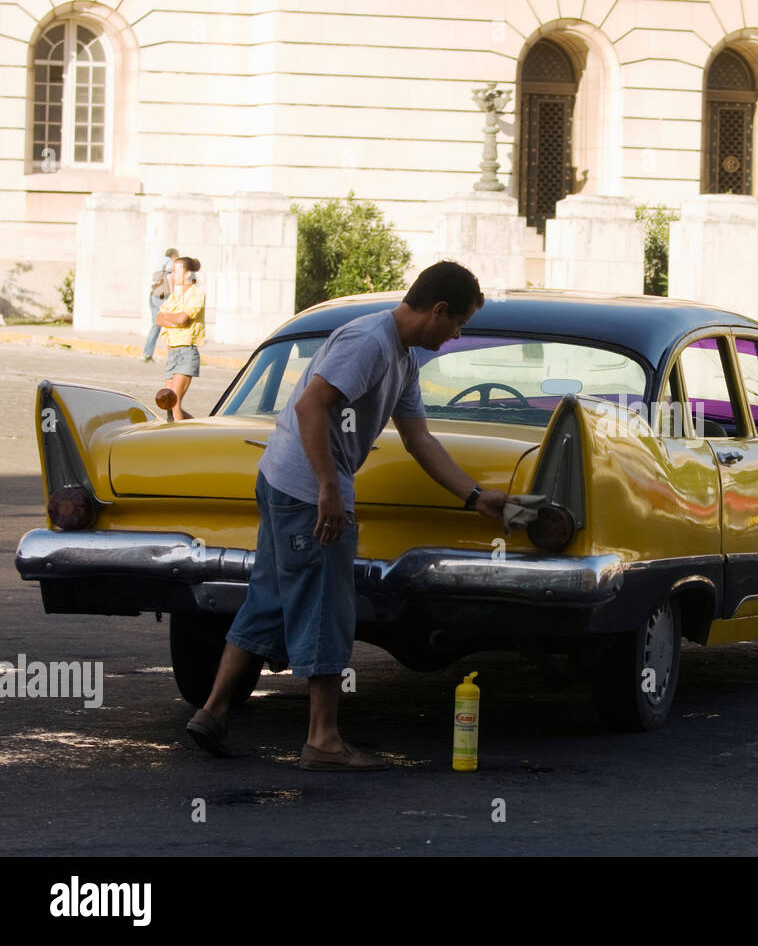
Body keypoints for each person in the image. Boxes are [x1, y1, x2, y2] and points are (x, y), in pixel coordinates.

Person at [185, 261, 516, 771]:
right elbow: (311, 407)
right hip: (306, 490)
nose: (456, 335)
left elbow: (418, 438)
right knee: (325, 607)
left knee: (270, 599)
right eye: (459, 324)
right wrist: (328, 490)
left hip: (283, 479)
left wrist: (474, 497)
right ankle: (323, 741)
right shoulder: (369, 342)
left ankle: (213, 712)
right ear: (439, 310)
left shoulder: (401, 356)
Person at [154, 256, 204, 419]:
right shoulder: (175, 295)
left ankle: (180, 439)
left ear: (188, 273)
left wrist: (171, 319)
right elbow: (158, 319)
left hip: (186, 352)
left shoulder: (197, 293)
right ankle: (195, 430)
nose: (171, 275)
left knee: (174, 403)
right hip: (173, 352)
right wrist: (174, 320)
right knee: (166, 404)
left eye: (175, 271)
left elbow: (183, 319)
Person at [142, 247, 178, 363]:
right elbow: (169, 277)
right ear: (173, 256)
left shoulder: (160, 261)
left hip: (153, 295)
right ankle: (173, 355)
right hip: (161, 297)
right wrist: (174, 294)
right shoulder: (169, 262)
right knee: (171, 324)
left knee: (156, 325)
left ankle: (147, 353)